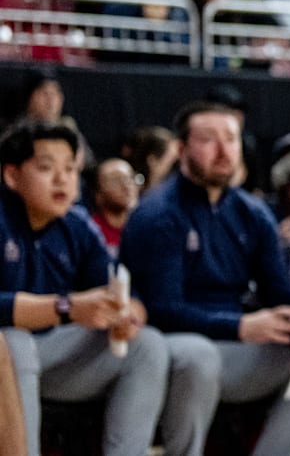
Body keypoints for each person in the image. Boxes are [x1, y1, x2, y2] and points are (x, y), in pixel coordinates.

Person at [121, 102, 290, 456]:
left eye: (231, 139)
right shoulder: (158, 213)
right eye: (209, 140)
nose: (224, 151)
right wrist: (240, 326)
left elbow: (278, 288)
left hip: (236, 347)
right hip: (173, 347)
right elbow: (162, 309)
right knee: (198, 355)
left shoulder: (250, 211)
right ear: (181, 149)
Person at [0, 121, 167, 456]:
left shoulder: (77, 225)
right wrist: (67, 307)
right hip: (6, 359)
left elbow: (115, 287)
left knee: (147, 345)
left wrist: (127, 312)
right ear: (12, 176)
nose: (63, 179)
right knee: (13, 342)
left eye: (70, 168)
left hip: (53, 356)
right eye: (47, 168)